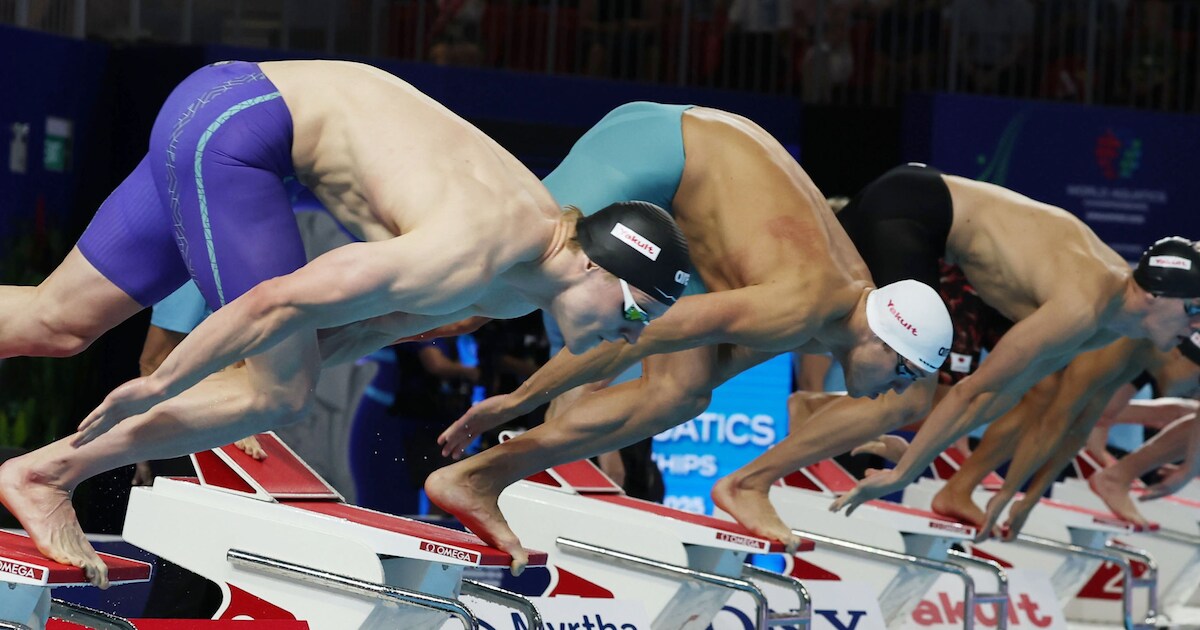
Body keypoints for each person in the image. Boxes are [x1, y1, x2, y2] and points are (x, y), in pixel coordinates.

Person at [0, 61, 691, 586]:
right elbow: (277, 302)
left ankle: (50, 470)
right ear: (598, 267)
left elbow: (358, 333)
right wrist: (164, 385)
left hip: (229, 108)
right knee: (279, 392)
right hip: (242, 128)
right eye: (636, 313)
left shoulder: (514, 288)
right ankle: (49, 476)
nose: (631, 338)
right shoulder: (471, 252)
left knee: (56, 323)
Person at [428, 103, 954, 574]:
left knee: (682, 394)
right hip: (658, 150)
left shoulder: (832, 317)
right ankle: (364, 303)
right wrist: (516, 401)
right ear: (882, 342)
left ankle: (478, 478)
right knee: (481, 290)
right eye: (904, 373)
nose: (897, 392)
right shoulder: (799, 308)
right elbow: (636, 337)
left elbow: (667, 361)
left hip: (697, 207)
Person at [712, 164, 1200, 544]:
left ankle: (810, 407)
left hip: (919, 216)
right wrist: (906, 471)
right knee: (907, 395)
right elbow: (975, 391)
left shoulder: (1104, 323)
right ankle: (748, 482)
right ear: (1157, 295)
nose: (1196, 325)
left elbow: (1007, 398)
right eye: (1193, 309)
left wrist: (1016, 497)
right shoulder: (1083, 307)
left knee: (798, 340)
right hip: (911, 212)